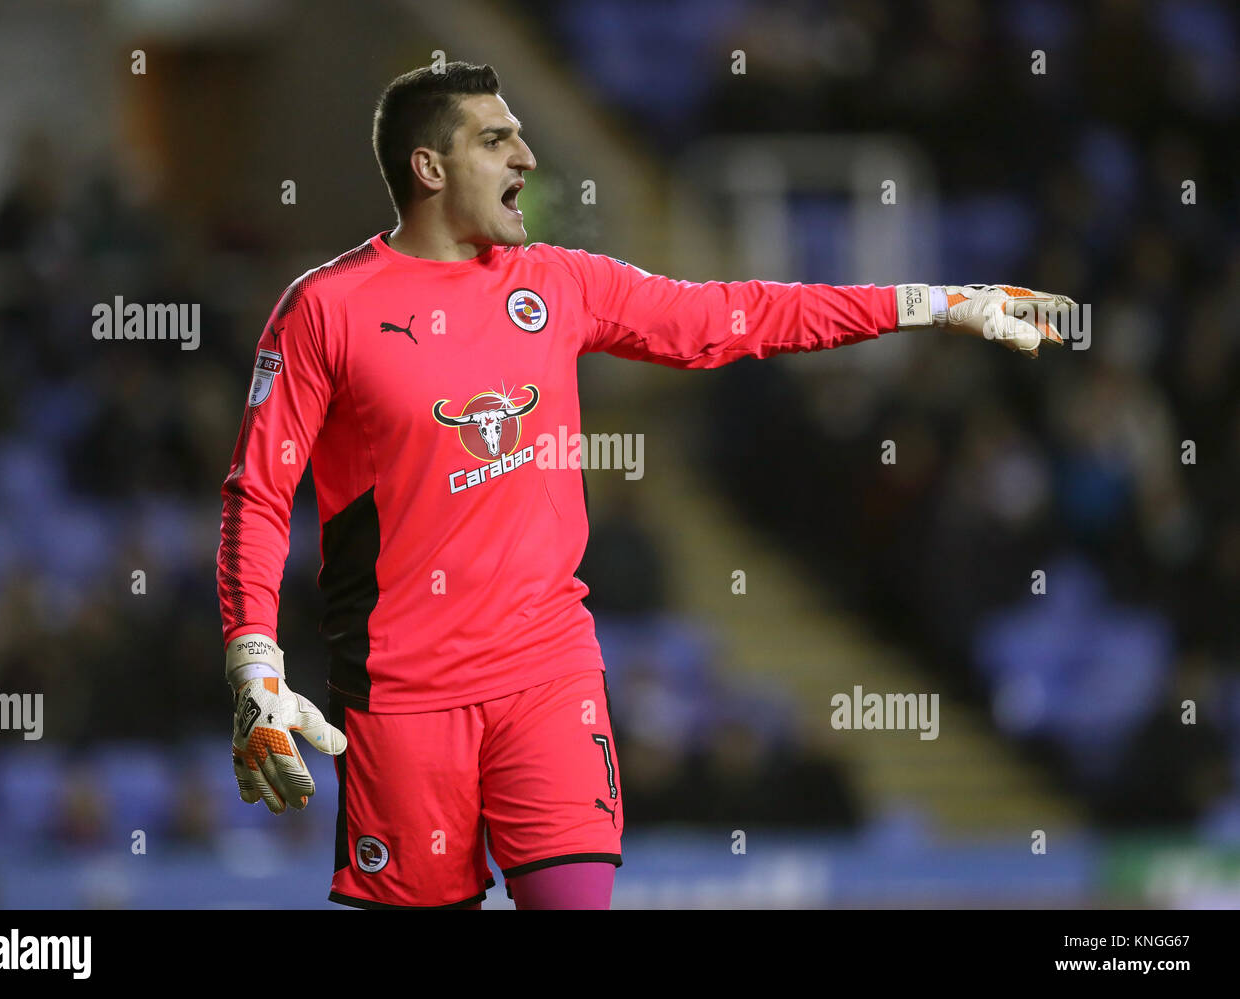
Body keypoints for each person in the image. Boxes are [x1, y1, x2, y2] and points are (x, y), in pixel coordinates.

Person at [216, 61, 1072, 910]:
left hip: (549, 674)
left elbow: (734, 315)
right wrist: (255, 664)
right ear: (429, 168)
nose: (527, 156)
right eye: (496, 137)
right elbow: (257, 493)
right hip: (401, 696)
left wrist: (931, 301)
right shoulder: (325, 308)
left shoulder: (557, 284)